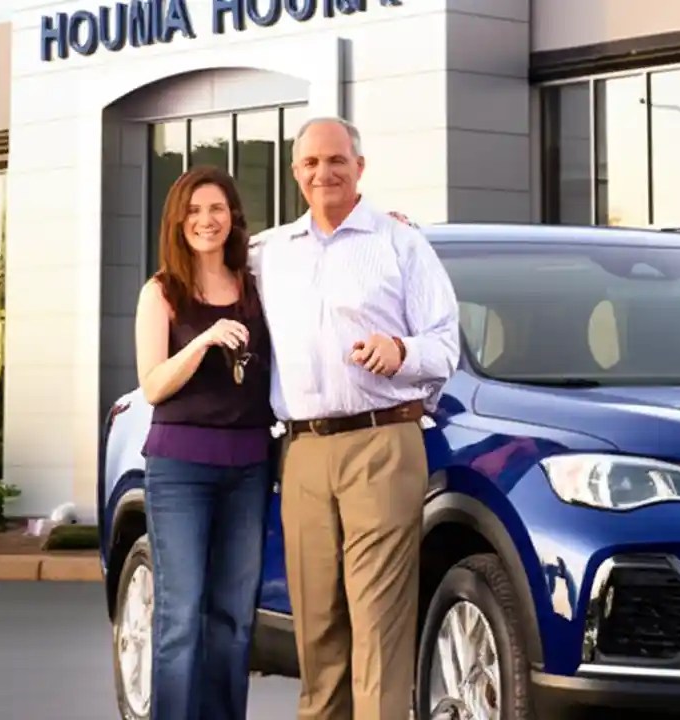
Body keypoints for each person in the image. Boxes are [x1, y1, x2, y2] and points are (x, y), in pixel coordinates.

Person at [249, 116, 461, 720]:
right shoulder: (270, 254)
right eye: (311, 163)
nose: (324, 172)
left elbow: (445, 343)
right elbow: (203, 268)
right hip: (304, 451)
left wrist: (402, 353)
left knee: (378, 623)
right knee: (316, 625)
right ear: (296, 174)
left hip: (383, 440)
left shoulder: (400, 244)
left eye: (337, 160)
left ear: (359, 167)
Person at [134, 165, 275, 720]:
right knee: (181, 616)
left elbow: (307, 246)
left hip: (248, 466)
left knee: (234, 619)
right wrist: (206, 341)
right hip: (180, 469)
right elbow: (153, 385)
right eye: (193, 211)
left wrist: (387, 222)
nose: (205, 220)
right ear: (177, 220)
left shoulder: (255, 282)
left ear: (233, 215)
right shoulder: (161, 291)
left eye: (216, 208)